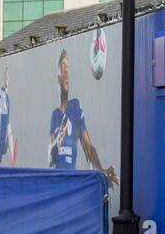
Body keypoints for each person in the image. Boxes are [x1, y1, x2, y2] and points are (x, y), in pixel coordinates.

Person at [48, 48, 116, 185]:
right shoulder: (55, 115)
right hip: (55, 181)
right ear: (58, 77)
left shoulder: (75, 107)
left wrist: (101, 171)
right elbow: (50, 157)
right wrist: (57, 140)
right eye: (63, 66)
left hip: (70, 182)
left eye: (68, 67)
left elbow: (89, 148)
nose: (66, 71)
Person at [0, 66, 16, 166]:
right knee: (2, 141)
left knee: (9, 139)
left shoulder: (6, 93)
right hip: (4, 121)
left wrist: (6, 73)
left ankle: (12, 160)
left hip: (7, 121)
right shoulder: (2, 95)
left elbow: (6, 82)